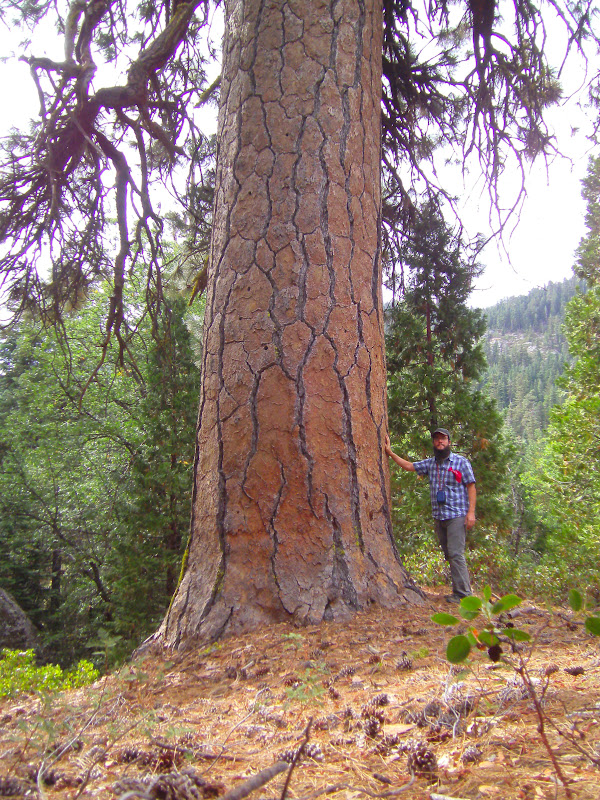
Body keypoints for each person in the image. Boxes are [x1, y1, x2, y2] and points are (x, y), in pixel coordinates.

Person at [384, 428, 476, 602]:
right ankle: (459, 591)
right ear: (433, 442)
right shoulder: (430, 464)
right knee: (449, 554)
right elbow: (409, 466)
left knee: (456, 553)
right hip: (440, 516)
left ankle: (464, 594)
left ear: (449, 442)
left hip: (457, 515)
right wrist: (390, 452)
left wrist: (471, 513)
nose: (440, 442)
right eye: (437, 439)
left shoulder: (461, 462)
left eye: (443, 439)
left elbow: (471, 486)